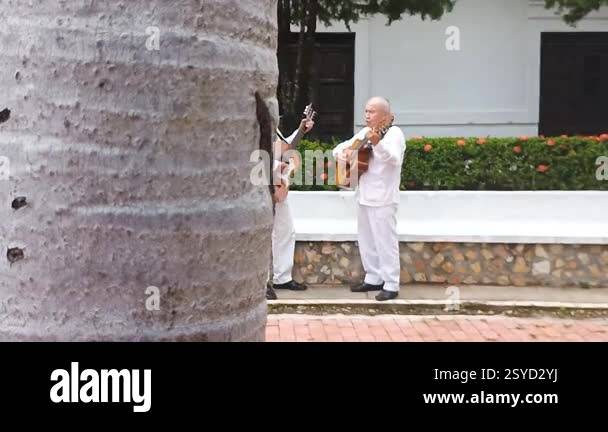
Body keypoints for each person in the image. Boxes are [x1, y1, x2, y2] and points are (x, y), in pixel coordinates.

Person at [332, 97, 405, 301]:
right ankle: (373, 277)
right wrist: (344, 155)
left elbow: (394, 159)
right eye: (366, 111)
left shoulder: (394, 133)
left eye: (371, 112)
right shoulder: (364, 133)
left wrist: (378, 144)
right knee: (367, 241)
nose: (367, 115)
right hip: (363, 195)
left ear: (385, 116)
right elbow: (338, 148)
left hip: (384, 198)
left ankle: (391, 283)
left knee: (385, 242)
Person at [266, 117, 315, 300]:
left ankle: (282, 278)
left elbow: (284, 148)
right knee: (263, 237)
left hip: (278, 186)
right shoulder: (253, 125)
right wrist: (279, 166)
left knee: (286, 231)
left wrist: (300, 129)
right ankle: (262, 285)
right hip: (262, 187)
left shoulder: (274, 128)